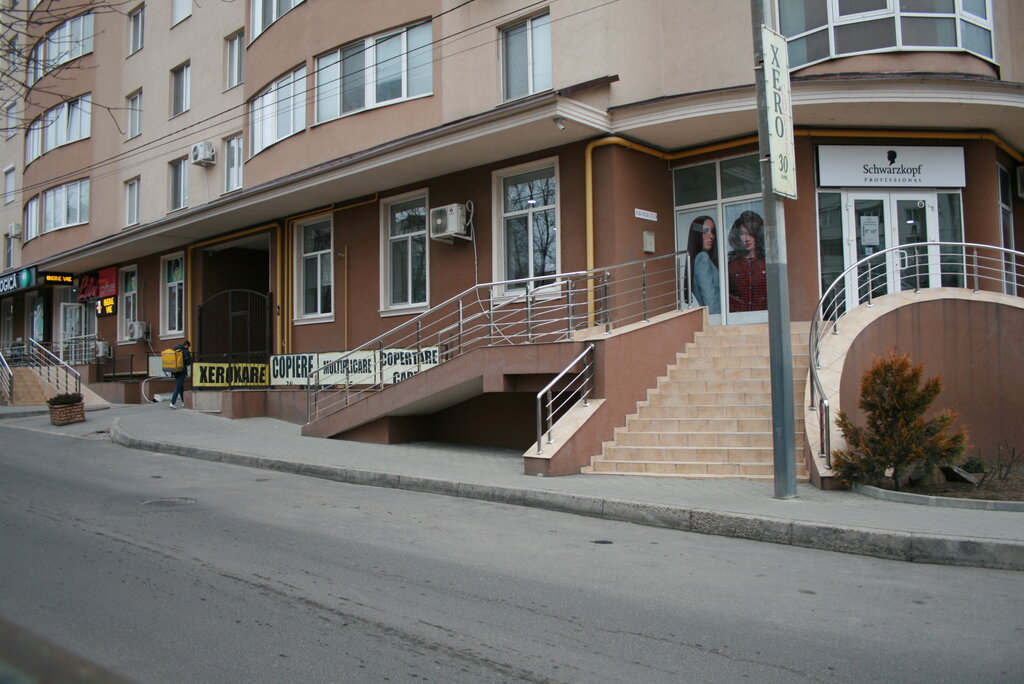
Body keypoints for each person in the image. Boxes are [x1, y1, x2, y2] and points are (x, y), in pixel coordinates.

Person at [727, 210, 767, 313]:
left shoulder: (766, 263)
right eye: (742, 233)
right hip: (737, 319)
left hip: (765, 318)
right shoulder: (732, 265)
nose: (747, 239)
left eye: (750, 233)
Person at [686, 215, 720, 315]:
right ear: (697, 234)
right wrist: (716, 322)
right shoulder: (702, 258)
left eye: (712, 231)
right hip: (715, 319)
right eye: (705, 231)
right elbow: (710, 298)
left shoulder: (700, 258)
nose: (711, 236)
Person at [169, 340, 193, 409]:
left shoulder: (175, 349)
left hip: (175, 371)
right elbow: (188, 362)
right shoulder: (185, 351)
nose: (188, 348)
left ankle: (183, 402)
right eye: (188, 346)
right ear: (187, 345)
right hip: (181, 371)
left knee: (180, 387)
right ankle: (172, 403)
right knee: (178, 387)